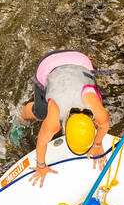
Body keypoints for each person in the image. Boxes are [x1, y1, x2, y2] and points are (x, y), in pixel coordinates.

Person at [18, 50, 112, 185]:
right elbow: (42, 142)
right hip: (50, 65)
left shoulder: (101, 115)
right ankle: (21, 118)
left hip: (79, 59)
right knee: (40, 114)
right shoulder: (54, 121)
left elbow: (104, 126)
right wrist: (41, 166)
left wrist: (97, 144)